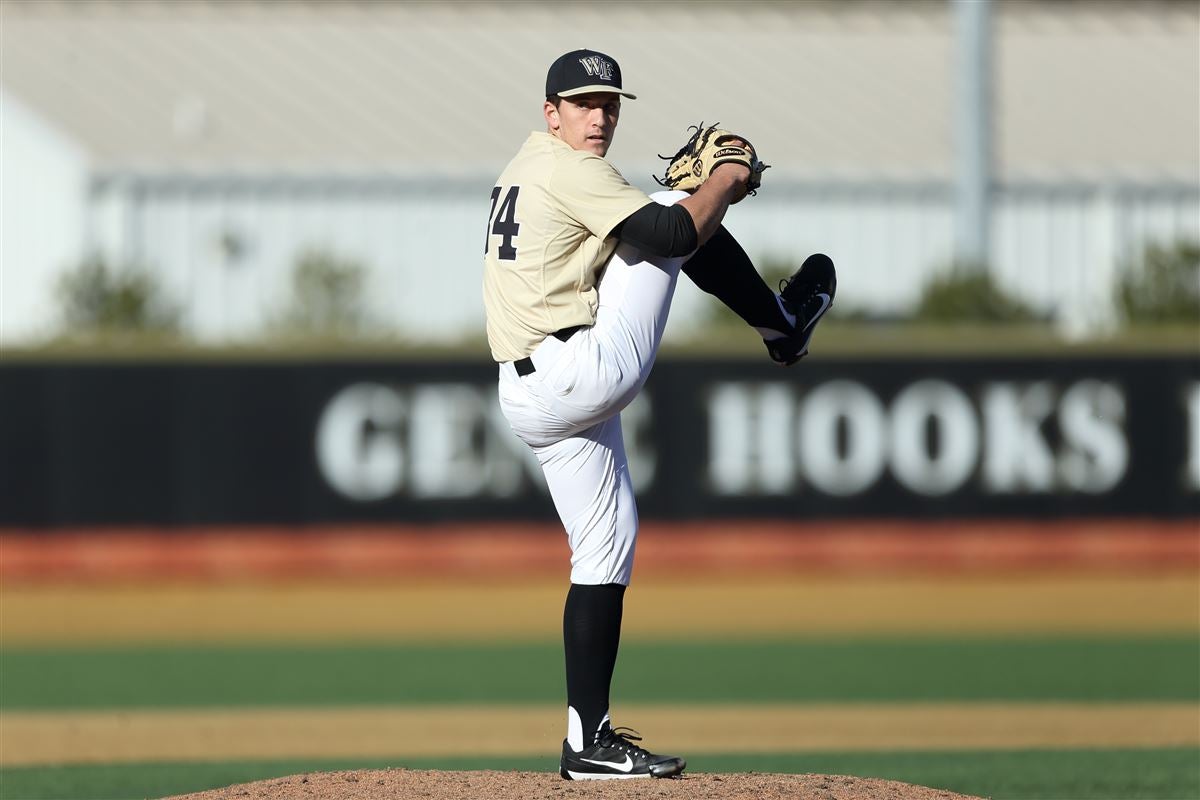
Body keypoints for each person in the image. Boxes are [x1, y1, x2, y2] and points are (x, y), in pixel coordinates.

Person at [482, 49, 836, 781]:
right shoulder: (572, 169)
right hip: (580, 371)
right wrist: (724, 183)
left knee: (605, 546)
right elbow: (674, 238)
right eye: (583, 103)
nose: (599, 115)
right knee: (677, 218)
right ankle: (781, 326)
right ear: (551, 113)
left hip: (531, 390)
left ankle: (587, 743)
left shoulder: (525, 166)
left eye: (609, 103)